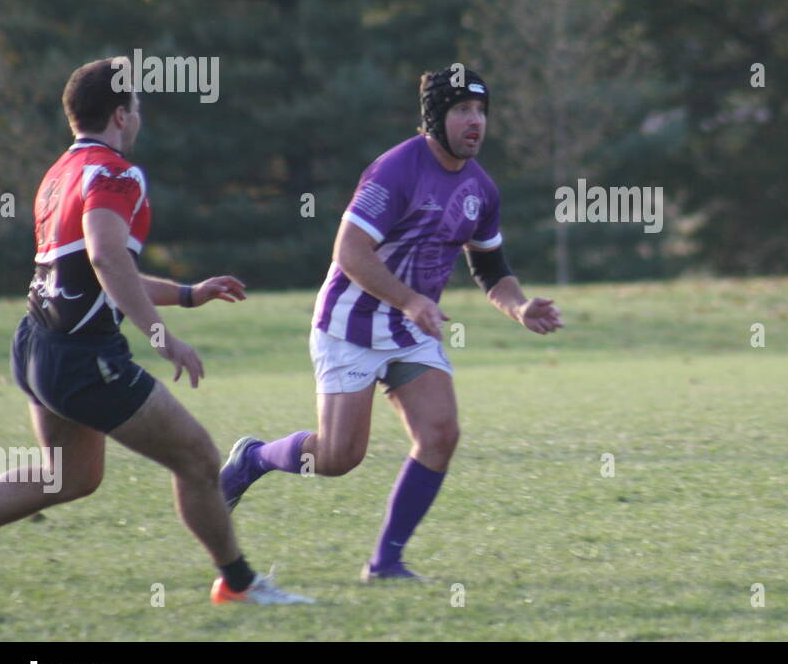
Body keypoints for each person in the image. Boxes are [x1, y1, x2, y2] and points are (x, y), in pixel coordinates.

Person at [0, 58, 312, 605]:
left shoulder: (59, 174)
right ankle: (239, 584)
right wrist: (161, 336)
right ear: (121, 114)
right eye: (138, 108)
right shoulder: (118, 173)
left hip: (36, 345)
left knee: (70, 478)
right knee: (196, 457)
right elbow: (105, 257)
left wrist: (189, 293)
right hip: (82, 358)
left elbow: (93, 268)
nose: (140, 118)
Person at [220, 66, 563, 581]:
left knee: (441, 434)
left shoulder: (481, 189)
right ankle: (254, 460)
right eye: (463, 111)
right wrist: (409, 300)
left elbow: (490, 267)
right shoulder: (397, 169)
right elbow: (349, 251)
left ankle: (386, 562)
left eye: (481, 112)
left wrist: (518, 307)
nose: (476, 123)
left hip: (408, 329)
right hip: (350, 324)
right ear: (435, 117)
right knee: (337, 457)